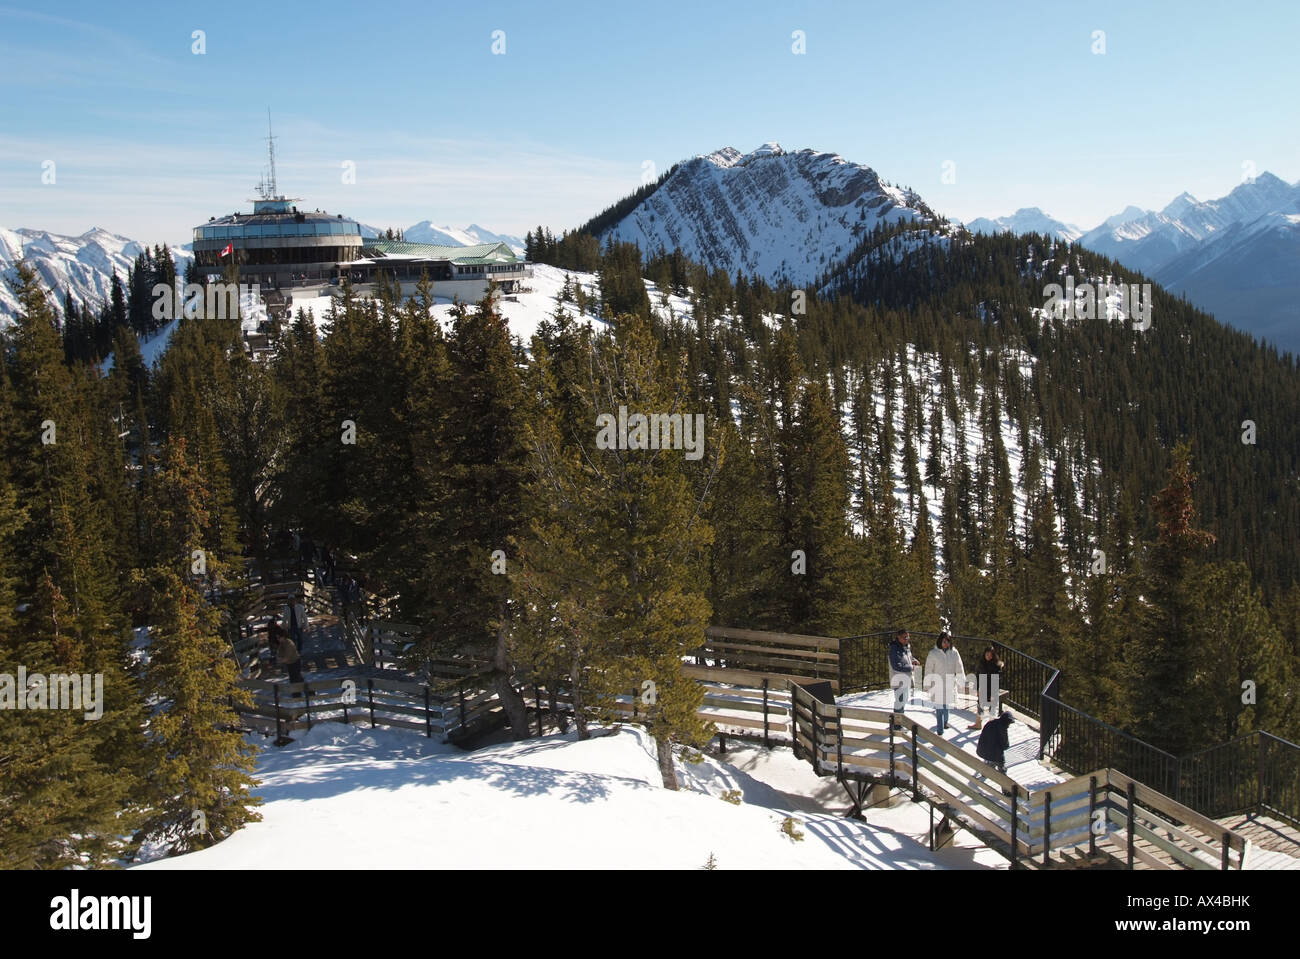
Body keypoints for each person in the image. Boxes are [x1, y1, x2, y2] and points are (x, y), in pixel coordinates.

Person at [924, 630, 966, 735]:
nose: (946, 644)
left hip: (949, 683)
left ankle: (945, 722)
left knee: (946, 704)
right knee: (939, 706)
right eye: (944, 642)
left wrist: (961, 680)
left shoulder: (954, 653)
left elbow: (959, 667)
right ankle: (940, 730)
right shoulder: (933, 653)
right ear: (940, 642)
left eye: (947, 642)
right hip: (937, 683)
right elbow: (929, 669)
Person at [888, 629, 921, 724]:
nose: (907, 639)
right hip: (898, 679)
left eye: (908, 637)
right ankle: (897, 724)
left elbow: (909, 658)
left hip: (906, 678)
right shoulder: (894, 649)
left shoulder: (906, 647)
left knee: (903, 700)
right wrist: (911, 667)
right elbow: (896, 666)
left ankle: (898, 721)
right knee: (900, 701)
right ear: (898, 637)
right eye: (904, 637)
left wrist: (914, 660)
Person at [974, 645, 1005, 730]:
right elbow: (977, 676)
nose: (988, 656)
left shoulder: (996, 665)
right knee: (980, 705)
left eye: (990, 654)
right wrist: (977, 688)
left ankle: (991, 727)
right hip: (983, 686)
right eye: (987, 654)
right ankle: (978, 723)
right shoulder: (982, 663)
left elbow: (997, 679)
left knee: (992, 707)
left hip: (992, 688)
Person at [269, 618, 303, 685]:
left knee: (297, 679)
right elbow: (279, 653)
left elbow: (287, 657)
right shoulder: (282, 644)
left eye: (279, 637)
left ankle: (308, 691)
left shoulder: (289, 643)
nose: (278, 639)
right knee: (293, 680)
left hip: (295, 662)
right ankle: (296, 694)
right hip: (290, 663)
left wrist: (280, 660)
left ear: (283, 637)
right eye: (277, 638)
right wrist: (278, 658)